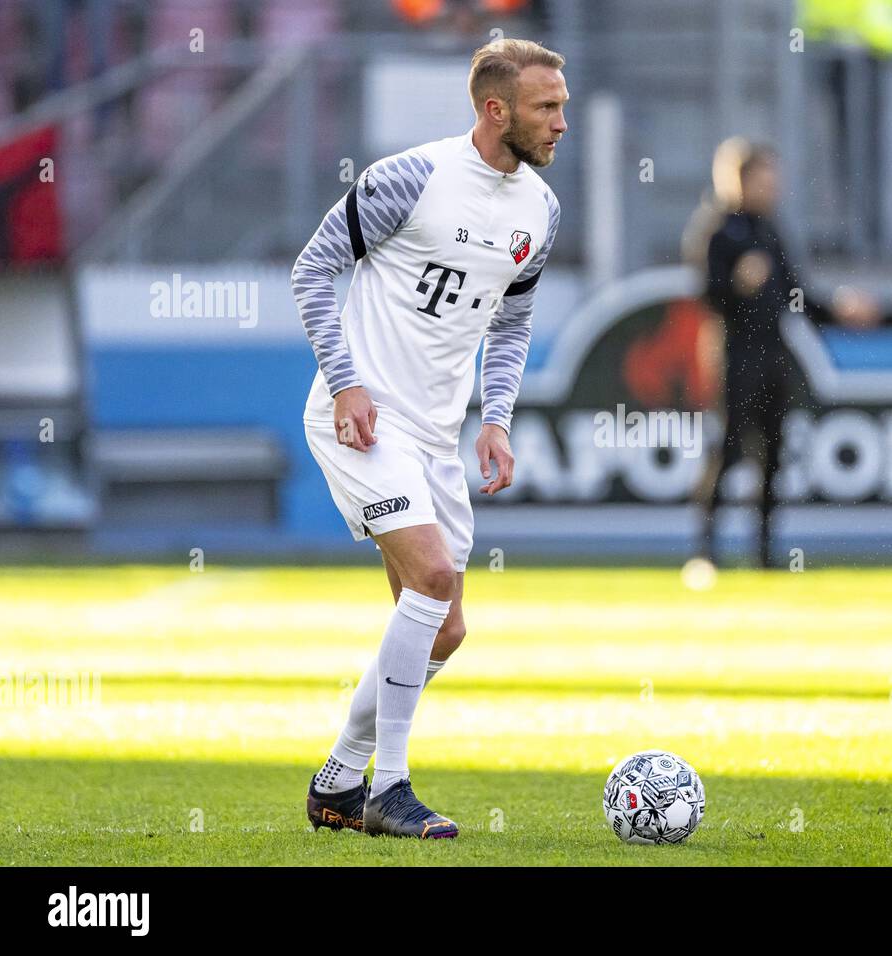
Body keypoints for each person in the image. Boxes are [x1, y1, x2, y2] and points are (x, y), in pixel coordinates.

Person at [291, 38, 566, 839]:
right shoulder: (411, 178)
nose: (560, 122)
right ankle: (391, 790)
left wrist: (499, 416)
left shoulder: (539, 211)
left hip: (437, 439)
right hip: (362, 419)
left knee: (445, 626)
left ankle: (340, 779)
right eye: (547, 107)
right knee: (434, 576)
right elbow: (313, 270)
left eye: (563, 106)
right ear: (495, 109)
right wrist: (345, 382)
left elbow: (511, 321)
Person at [693, 140, 880, 570]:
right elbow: (706, 295)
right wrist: (737, 285)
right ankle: (705, 553)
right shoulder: (716, 229)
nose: (772, 187)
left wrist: (838, 311)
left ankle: (764, 553)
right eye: (764, 178)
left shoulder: (771, 229)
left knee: (773, 453)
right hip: (734, 356)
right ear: (738, 178)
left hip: (775, 355)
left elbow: (797, 296)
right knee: (728, 450)